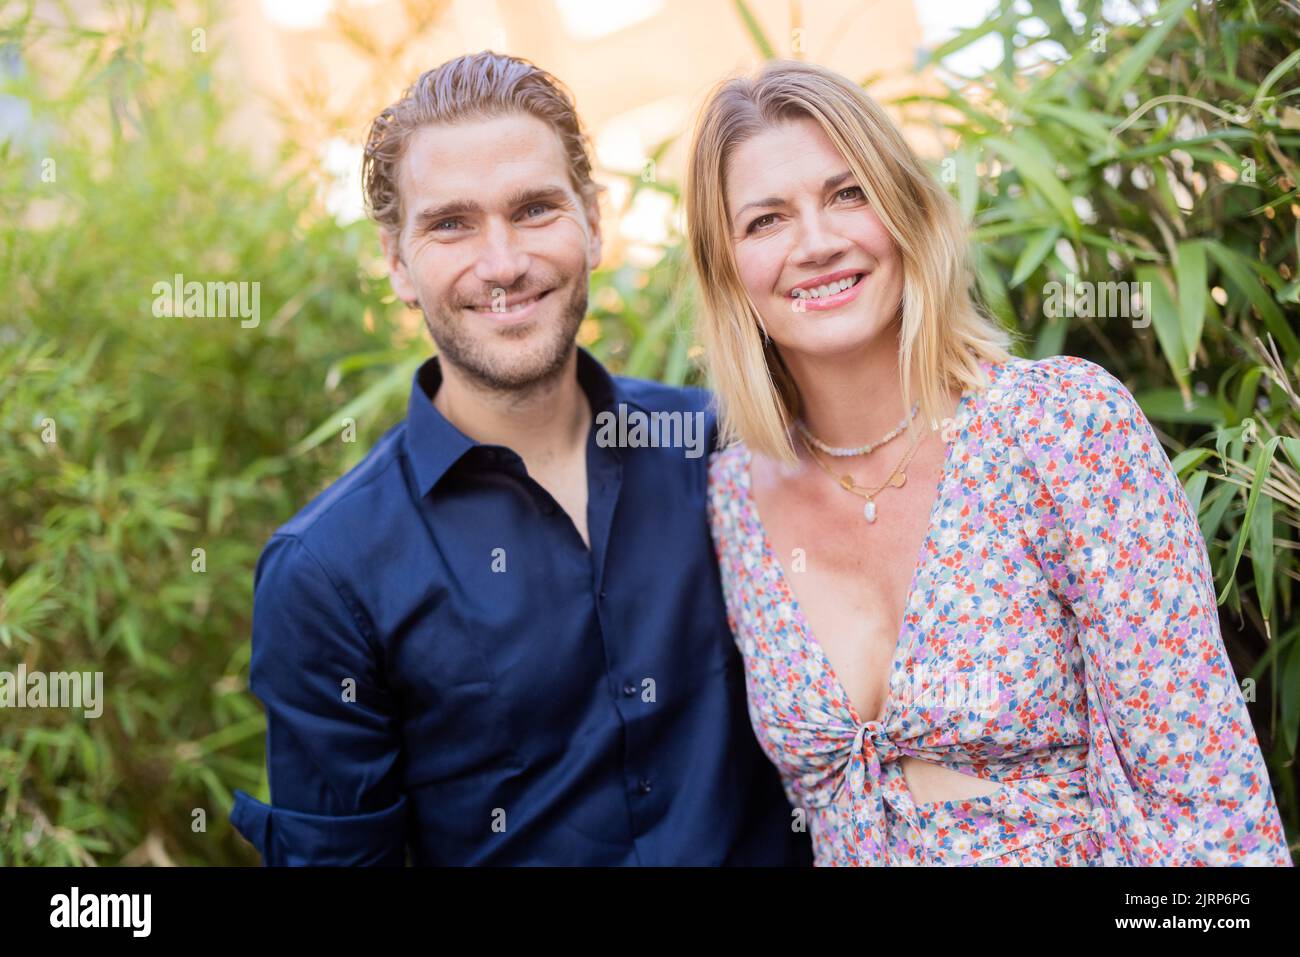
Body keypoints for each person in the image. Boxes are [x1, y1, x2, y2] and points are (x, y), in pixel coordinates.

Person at [684, 58, 1292, 866]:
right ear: (726, 267)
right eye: (765, 220)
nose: (818, 242)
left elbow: (1206, 795)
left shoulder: (1058, 426)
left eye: (847, 193)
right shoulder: (734, 497)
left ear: (905, 209)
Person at [229, 51, 812, 867]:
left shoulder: (726, 446)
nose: (502, 263)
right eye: (451, 224)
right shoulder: (326, 572)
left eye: (535, 209)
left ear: (595, 222)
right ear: (396, 261)